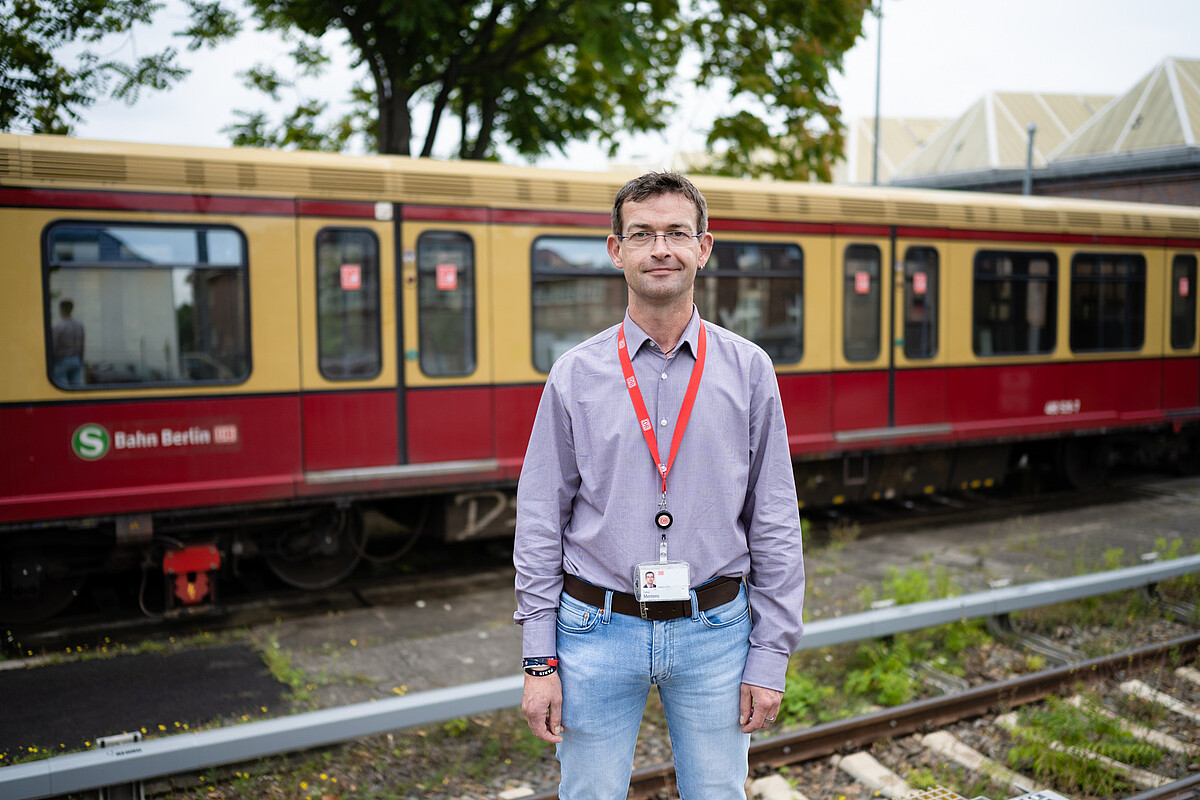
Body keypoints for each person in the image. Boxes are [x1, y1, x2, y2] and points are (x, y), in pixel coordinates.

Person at [514, 172, 805, 799]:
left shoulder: (750, 370)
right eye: (642, 234)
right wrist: (539, 659)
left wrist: (771, 654)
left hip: (716, 631)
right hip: (594, 630)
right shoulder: (574, 375)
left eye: (676, 232)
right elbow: (539, 520)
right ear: (616, 250)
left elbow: (776, 518)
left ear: (704, 247)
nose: (660, 249)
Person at [52, 299, 85, 386]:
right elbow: (82, 345)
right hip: (76, 359)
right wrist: (80, 359)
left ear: (61, 310)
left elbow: (54, 345)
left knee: (62, 385)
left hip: (62, 360)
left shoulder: (59, 326)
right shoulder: (79, 326)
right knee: (77, 386)